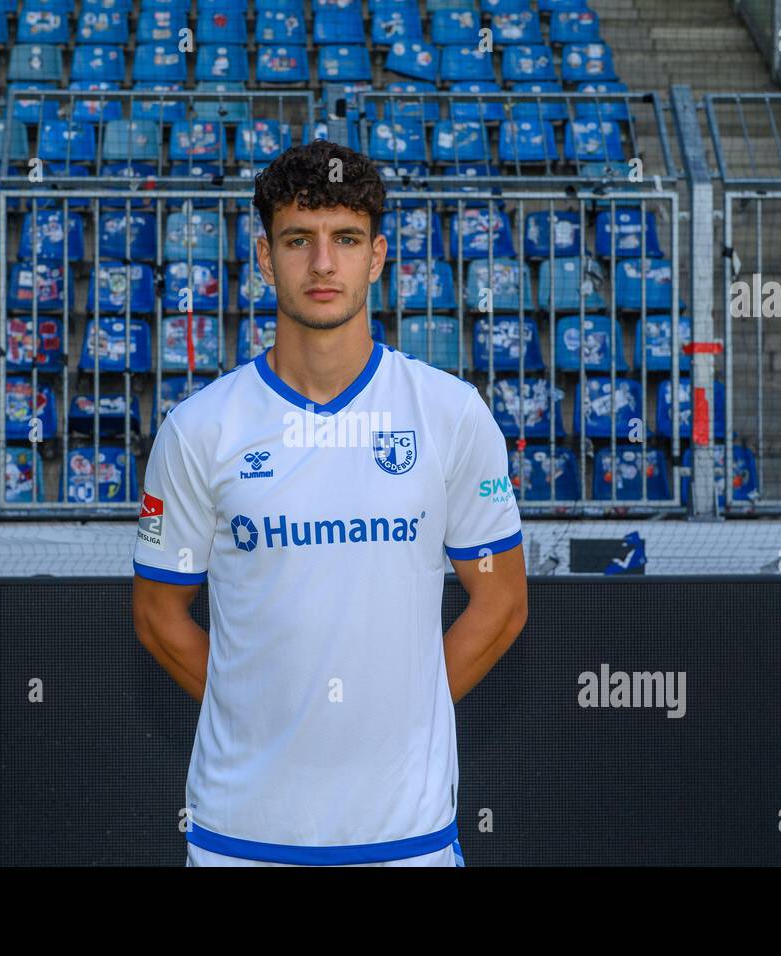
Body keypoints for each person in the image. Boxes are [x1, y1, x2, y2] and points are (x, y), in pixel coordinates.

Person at [131, 140, 527, 867]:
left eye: (345, 239)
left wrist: (401, 715)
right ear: (263, 255)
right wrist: (266, 713)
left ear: (377, 257)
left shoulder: (450, 414)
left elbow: (501, 603)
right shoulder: (199, 430)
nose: (322, 263)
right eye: (297, 240)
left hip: (408, 841)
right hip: (239, 839)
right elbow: (159, 620)